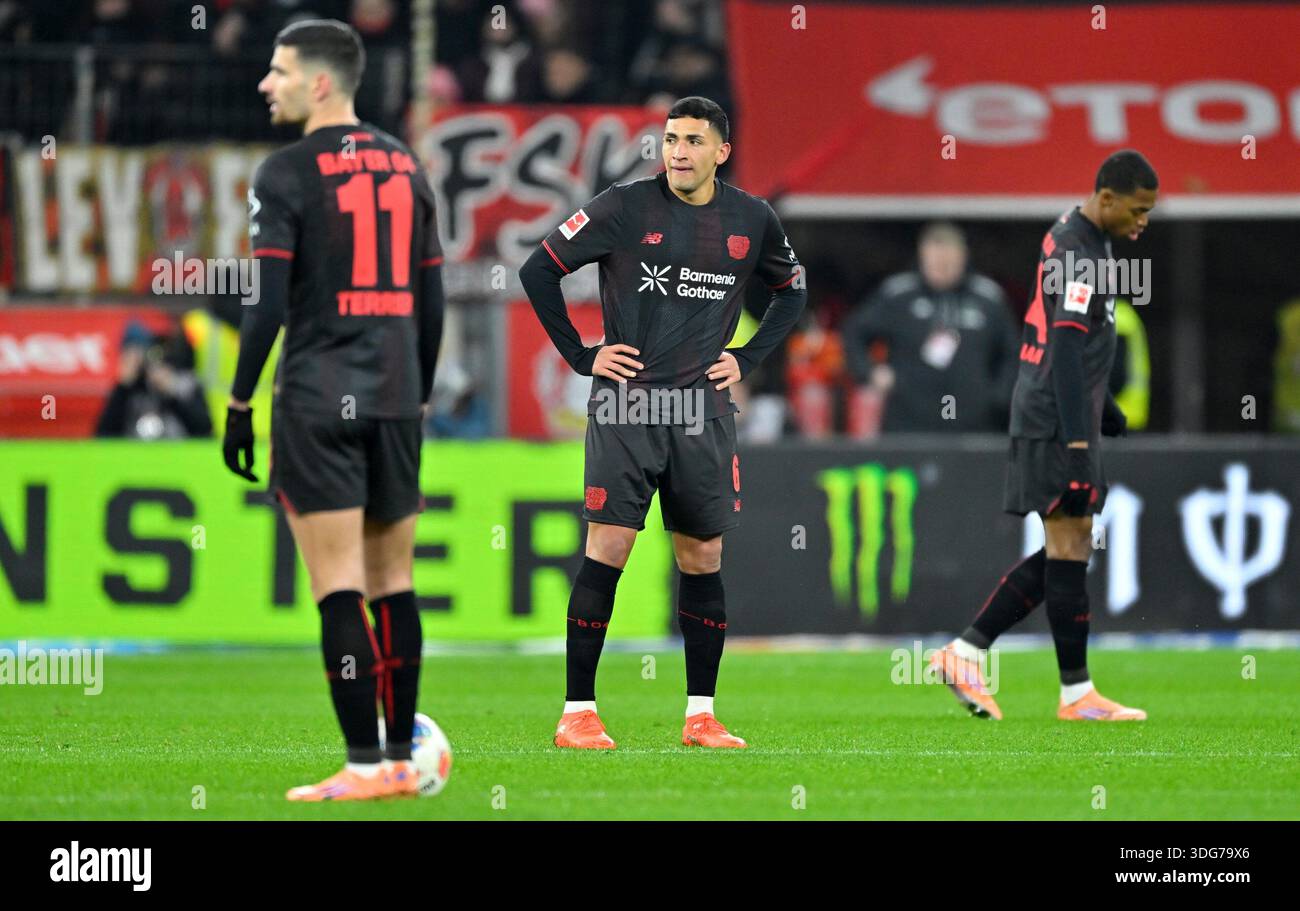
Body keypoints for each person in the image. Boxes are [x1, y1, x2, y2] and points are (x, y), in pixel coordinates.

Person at [518, 96, 806, 750]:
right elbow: (540, 268)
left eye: (692, 141)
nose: (677, 151)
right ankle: (577, 712)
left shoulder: (752, 219)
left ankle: (700, 715)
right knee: (608, 551)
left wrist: (749, 356)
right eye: (671, 139)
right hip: (629, 406)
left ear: (721, 152)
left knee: (702, 557)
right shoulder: (625, 205)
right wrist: (582, 355)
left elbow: (793, 293)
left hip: (702, 411)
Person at [221, 19, 446, 800]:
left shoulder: (284, 172)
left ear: (320, 82)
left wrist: (241, 398)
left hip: (318, 394)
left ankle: (361, 765)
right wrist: (414, 391)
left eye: (278, 71)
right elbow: (434, 296)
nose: (265, 83)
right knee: (396, 581)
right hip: (394, 395)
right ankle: (395, 757)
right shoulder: (408, 164)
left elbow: (267, 303)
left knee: (339, 583)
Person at [929, 150, 1158, 722]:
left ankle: (1064, 688)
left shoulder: (1081, 237)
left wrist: (1102, 409)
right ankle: (980, 656)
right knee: (1069, 541)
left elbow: (1075, 341)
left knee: (1070, 544)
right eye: (1138, 209)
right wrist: (1079, 441)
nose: (1143, 221)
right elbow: (1065, 347)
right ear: (1107, 198)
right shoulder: (1080, 251)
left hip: (1062, 411)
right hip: (1054, 419)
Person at [842, 222, 1019, 433]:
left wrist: (998, 397)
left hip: (974, 423)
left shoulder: (988, 297)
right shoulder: (899, 294)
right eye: (935, 261)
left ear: (963, 257)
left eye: (948, 262)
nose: (941, 268)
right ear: (922, 257)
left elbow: (1013, 352)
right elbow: (854, 331)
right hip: (908, 421)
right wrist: (869, 373)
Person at [95, 323, 213, 439]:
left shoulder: (186, 384)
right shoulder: (131, 388)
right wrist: (123, 388)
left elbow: (204, 431)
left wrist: (171, 392)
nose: (155, 362)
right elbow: (104, 433)